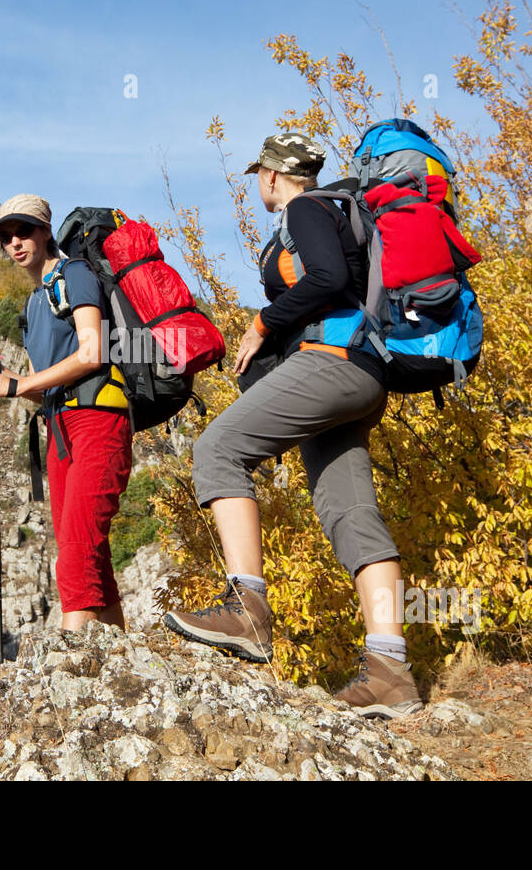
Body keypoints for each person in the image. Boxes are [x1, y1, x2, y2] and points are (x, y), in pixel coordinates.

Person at [161, 133, 423, 718]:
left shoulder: (307, 208)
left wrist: (260, 323)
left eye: (259, 174)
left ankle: (247, 610)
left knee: (218, 449)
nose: (259, 184)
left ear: (272, 176)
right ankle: (391, 672)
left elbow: (326, 279)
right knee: (350, 511)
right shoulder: (342, 209)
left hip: (331, 366)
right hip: (364, 376)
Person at [0, 194, 133, 632]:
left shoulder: (75, 273)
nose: (14, 243)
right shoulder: (36, 302)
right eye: (5, 237)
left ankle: (71, 673)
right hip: (60, 429)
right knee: (89, 553)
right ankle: (121, 659)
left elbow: (92, 352)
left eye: (24, 231)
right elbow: (43, 389)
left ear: (46, 231)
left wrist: (19, 383)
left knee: (76, 552)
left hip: (98, 421)